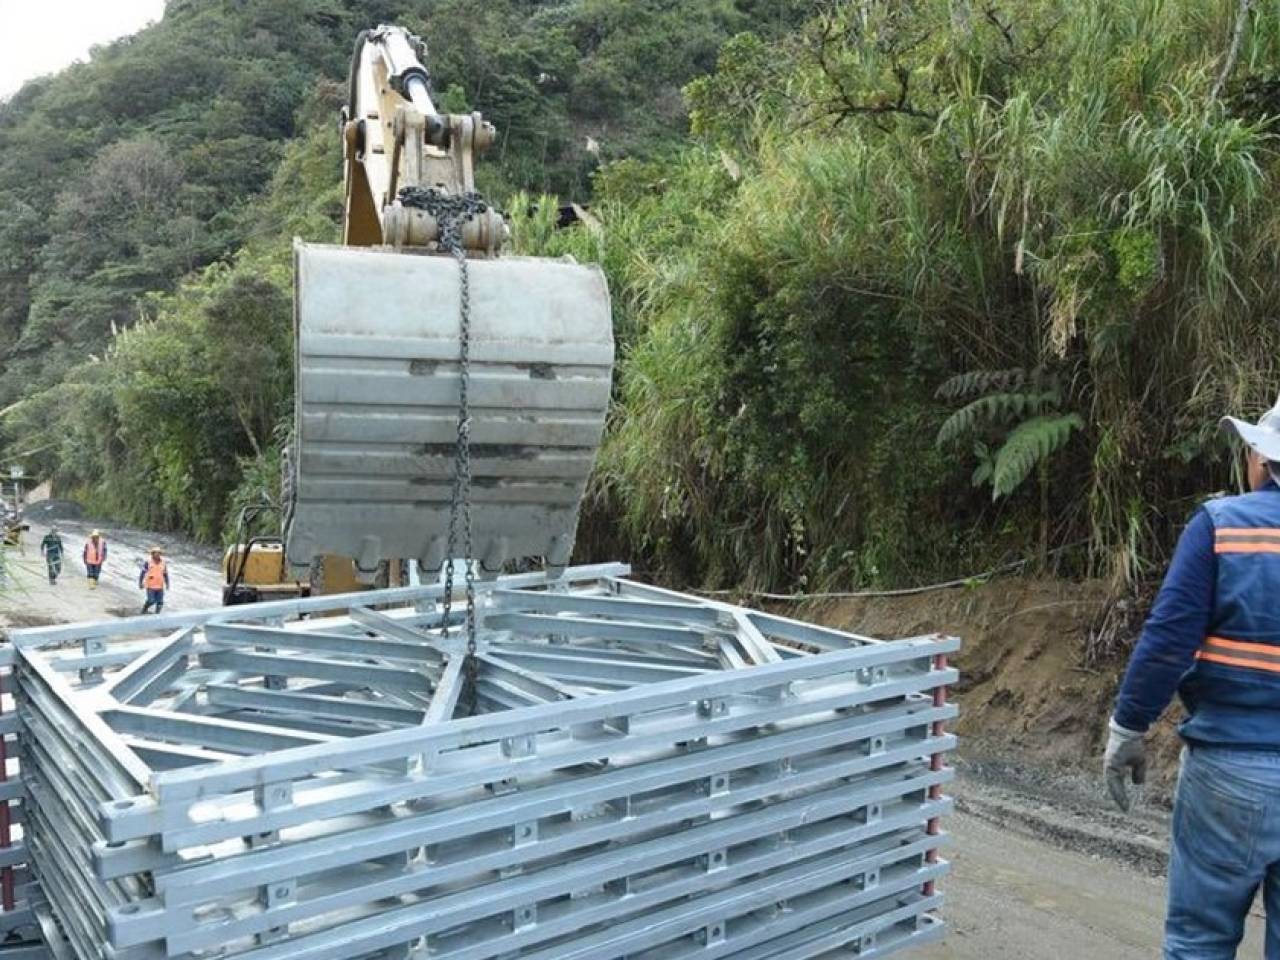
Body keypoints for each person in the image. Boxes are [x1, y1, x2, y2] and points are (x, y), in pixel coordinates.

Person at [1104, 395, 1280, 957]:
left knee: (1199, 942)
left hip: (1231, 772)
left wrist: (1128, 728)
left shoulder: (1222, 526)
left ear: (1260, 458)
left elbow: (1168, 639)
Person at [138, 546, 169, 614]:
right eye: (156, 553)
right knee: (151, 600)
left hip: (160, 586)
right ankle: (144, 609)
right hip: (150, 585)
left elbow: (165, 574)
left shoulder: (163, 563)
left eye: (159, 553)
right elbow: (142, 573)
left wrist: (167, 584)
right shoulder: (148, 562)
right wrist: (140, 583)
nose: (157, 555)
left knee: (160, 602)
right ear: (152, 554)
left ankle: (157, 615)